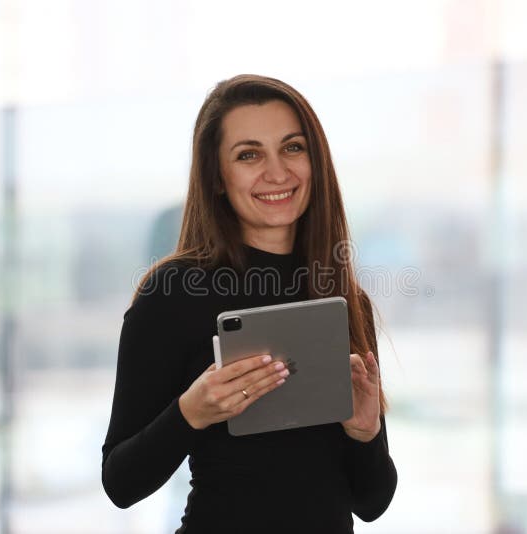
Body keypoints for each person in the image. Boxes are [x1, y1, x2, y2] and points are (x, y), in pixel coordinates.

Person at [101, 74, 397, 533]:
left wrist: (365, 433)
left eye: (293, 148)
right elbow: (121, 484)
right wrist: (191, 412)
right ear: (217, 178)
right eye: (249, 155)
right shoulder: (173, 292)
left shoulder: (341, 295)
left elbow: (372, 503)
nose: (277, 173)